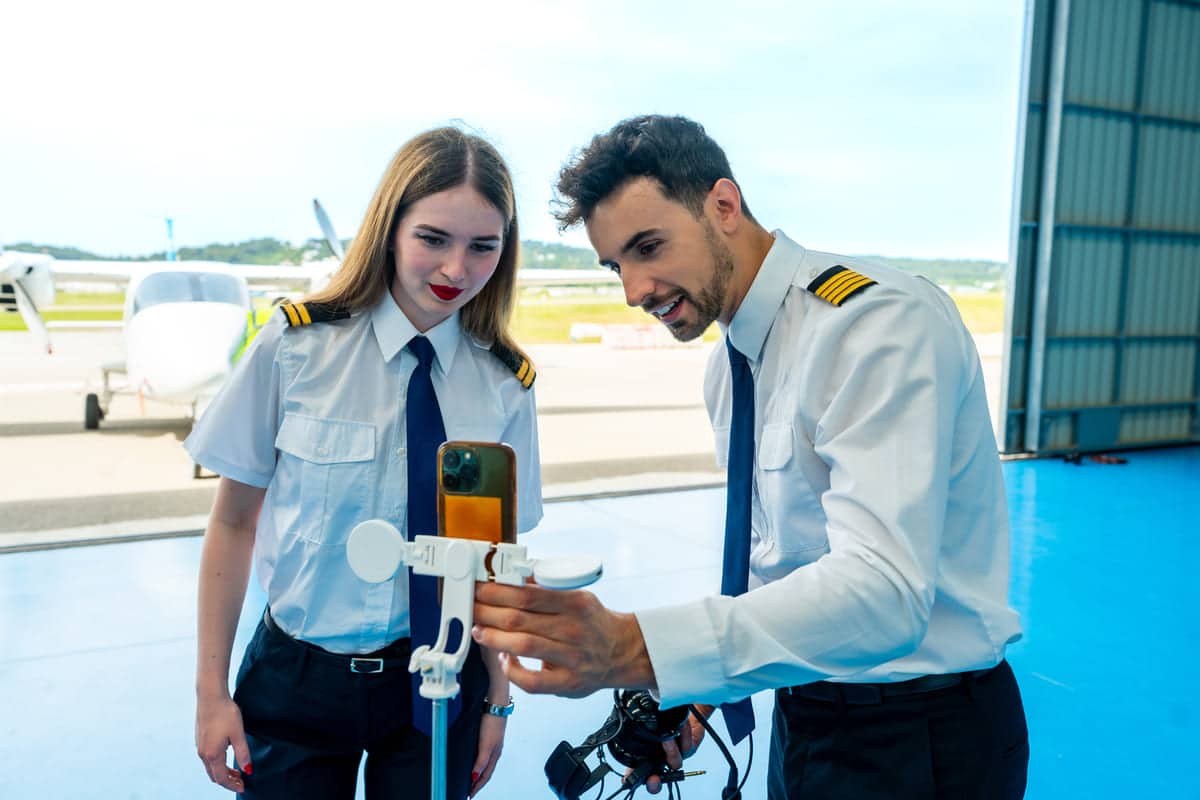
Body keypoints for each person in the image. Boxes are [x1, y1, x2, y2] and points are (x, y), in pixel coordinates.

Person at [472, 115, 1029, 799]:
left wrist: (635, 647)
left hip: (920, 736)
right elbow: (791, 567)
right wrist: (697, 687)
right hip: (806, 715)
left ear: (723, 206)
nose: (634, 290)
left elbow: (885, 595)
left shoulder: (875, 327)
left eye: (649, 246)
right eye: (617, 264)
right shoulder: (730, 368)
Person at [187, 126, 542, 800]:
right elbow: (233, 524)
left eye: (482, 247)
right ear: (388, 229)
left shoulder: (503, 384)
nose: (455, 271)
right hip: (296, 684)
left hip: (439, 683)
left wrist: (497, 694)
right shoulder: (297, 348)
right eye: (433, 239)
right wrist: (211, 695)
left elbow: (490, 554)